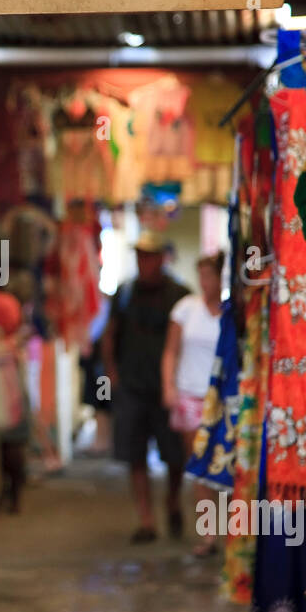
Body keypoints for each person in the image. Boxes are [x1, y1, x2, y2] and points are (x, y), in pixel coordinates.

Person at [102, 228, 189, 543]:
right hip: (133, 387)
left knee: (175, 455)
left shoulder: (179, 295)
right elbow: (109, 335)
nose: (144, 262)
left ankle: (173, 501)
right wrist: (112, 374)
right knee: (134, 455)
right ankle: (147, 519)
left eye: (150, 256)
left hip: (168, 389)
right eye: (140, 256)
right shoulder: (124, 293)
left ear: (162, 258)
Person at [161, 251, 225, 555]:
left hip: (220, 397)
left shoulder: (231, 312)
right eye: (200, 276)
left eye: (209, 275)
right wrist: (168, 386)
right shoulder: (185, 309)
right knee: (199, 465)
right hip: (190, 393)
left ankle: (229, 529)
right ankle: (208, 534)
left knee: (222, 462)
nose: (204, 282)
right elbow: (170, 350)